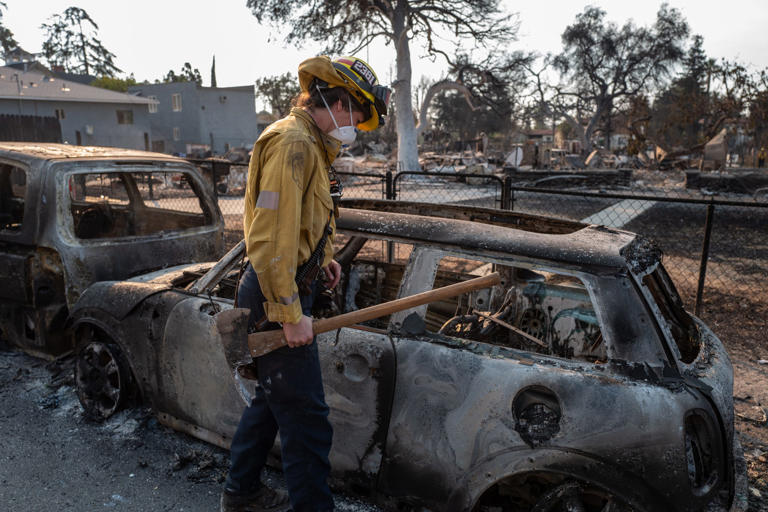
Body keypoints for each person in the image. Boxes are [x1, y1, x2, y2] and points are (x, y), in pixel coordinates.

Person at [220, 55, 390, 512]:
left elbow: (302, 224)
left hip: (291, 284)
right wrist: (289, 313)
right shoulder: (293, 144)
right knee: (307, 417)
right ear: (336, 101)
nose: (355, 126)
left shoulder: (312, 145)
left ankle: (241, 494)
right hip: (277, 293)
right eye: (356, 114)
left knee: (275, 401)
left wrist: (323, 260)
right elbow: (271, 239)